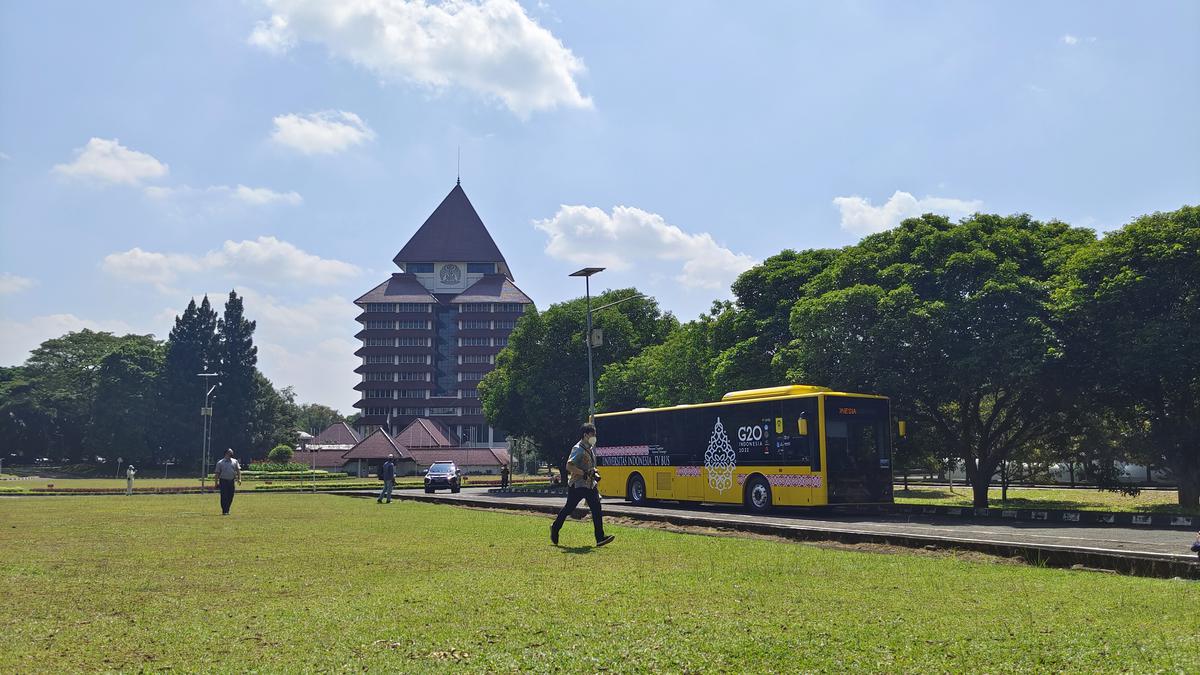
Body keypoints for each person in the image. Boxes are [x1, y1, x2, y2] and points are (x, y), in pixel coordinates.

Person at [550, 423, 615, 547]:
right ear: (585, 435)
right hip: (578, 485)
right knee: (569, 508)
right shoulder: (578, 449)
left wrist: (593, 471)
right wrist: (583, 473)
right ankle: (555, 527)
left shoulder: (590, 449)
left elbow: (589, 465)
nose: (594, 437)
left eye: (595, 434)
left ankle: (600, 538)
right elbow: (569, 466)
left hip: (590, 485)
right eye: (592, 434)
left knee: (596, 509)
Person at [214, 449, 242, 515]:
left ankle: (227, 509)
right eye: (230, 452)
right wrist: (216, 483)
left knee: (230, 496)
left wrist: (239, 479)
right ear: (226, 453)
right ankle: (224, 511)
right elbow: (217, 473)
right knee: (224, 496)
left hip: (231, 481)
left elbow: (238, 471)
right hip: (223, 481)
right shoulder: (220, 463)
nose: (232, 453)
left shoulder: (235, 461)